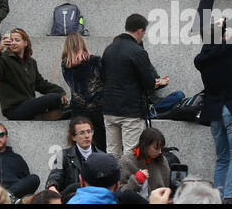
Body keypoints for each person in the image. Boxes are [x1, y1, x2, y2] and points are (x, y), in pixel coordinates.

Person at [194, 19, 232, 202]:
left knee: (222, 158)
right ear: (221, 37)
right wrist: (227, 21)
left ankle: (217, 197)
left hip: (215, 112)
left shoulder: (200, 59)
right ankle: (230, 196)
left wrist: (221, 30)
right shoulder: (226, 51)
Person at [100, 13, 168, 159]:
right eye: (143, 33)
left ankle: (113, 182)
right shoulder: (138, 52)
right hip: (130, 111)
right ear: (140, 31)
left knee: (112, 153)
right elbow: (149, 83)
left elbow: (103, 78)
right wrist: (156, 82)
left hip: (109, 109)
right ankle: (128, 182)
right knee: (131, 155)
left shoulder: (109, 49)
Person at [0, 27, 68, 121]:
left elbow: (41, 84)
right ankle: (46, 116)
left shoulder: (31, 62)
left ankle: (49, 115)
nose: (13, 43)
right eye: (11, 40)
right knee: (53, 98)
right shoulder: (4, 59)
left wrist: (60, 91)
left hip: (29, 105)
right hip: (13, 110)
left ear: (25, 43)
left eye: (17, 40)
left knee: (57, 99)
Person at [60, 33, 105, 150]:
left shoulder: (65, 65)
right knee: (101, 146)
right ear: (83, 44)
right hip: (98, 109)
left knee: (80, 148)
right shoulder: (95, 60)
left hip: (78, 111)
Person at [47, 116, 100, 200]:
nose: (87, 136)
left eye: (89, 132)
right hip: (72, 197)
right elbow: (55, 176)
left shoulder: (102, 156)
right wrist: (52, 187)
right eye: (82, 133)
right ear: (73, 137)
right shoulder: (62, 155)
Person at [0, 122, 39, 200]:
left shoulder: (17, 158)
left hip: (13, 195)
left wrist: (10, 193)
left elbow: (27, 182)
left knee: (34, 178)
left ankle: (6, 196)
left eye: (1, 134)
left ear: (6, 137)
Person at [118, 126, 171, 197]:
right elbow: (120, 193)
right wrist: (136, 180)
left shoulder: (162, 160)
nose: (160, 152)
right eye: (156, 148)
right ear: (145, 145)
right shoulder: (127, 161)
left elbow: (168, 188)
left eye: (161, 148)